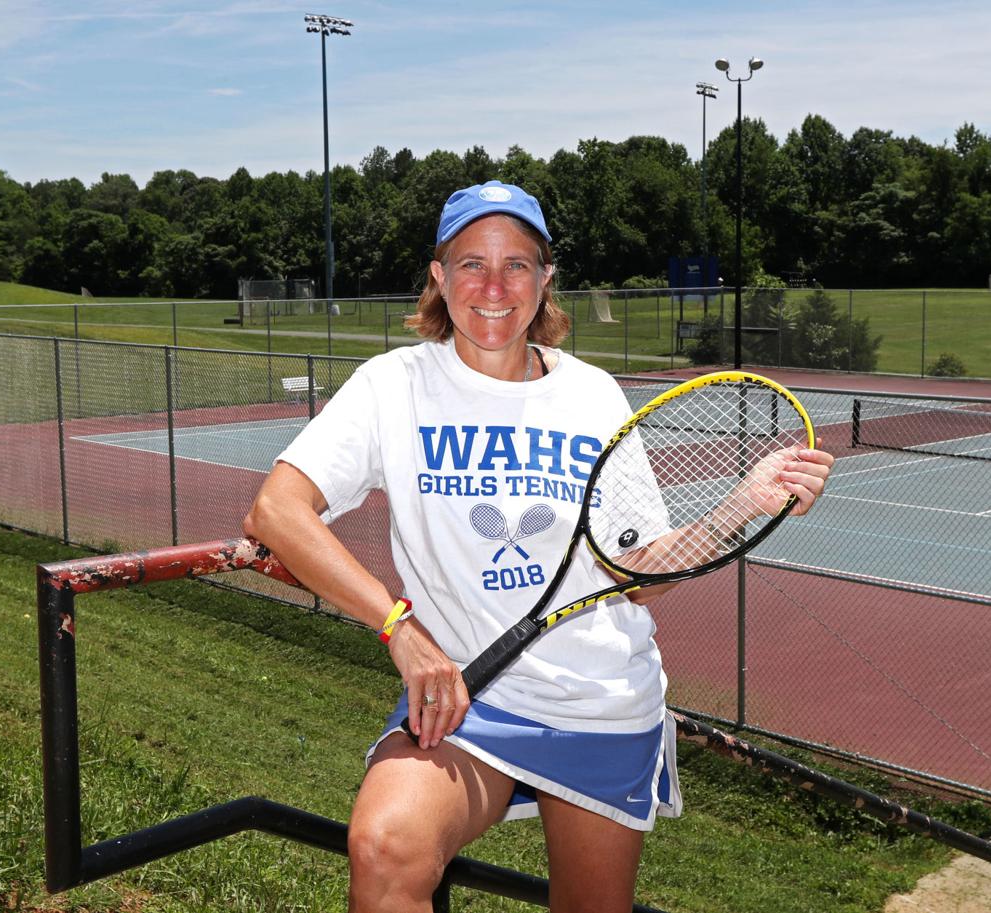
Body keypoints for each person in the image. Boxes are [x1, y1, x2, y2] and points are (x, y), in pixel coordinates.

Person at [243, 180, 834, 913]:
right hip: (470, 697)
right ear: (438, 275)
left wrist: (742, 503)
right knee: (385, 848)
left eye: (517, 264)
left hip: (599, 700)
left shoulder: (590, 395)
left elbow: (636, 576)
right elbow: (277, 511)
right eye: (471, 264)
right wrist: (400, 627)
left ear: (546, 278)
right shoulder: (394, 385)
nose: (494, 287)